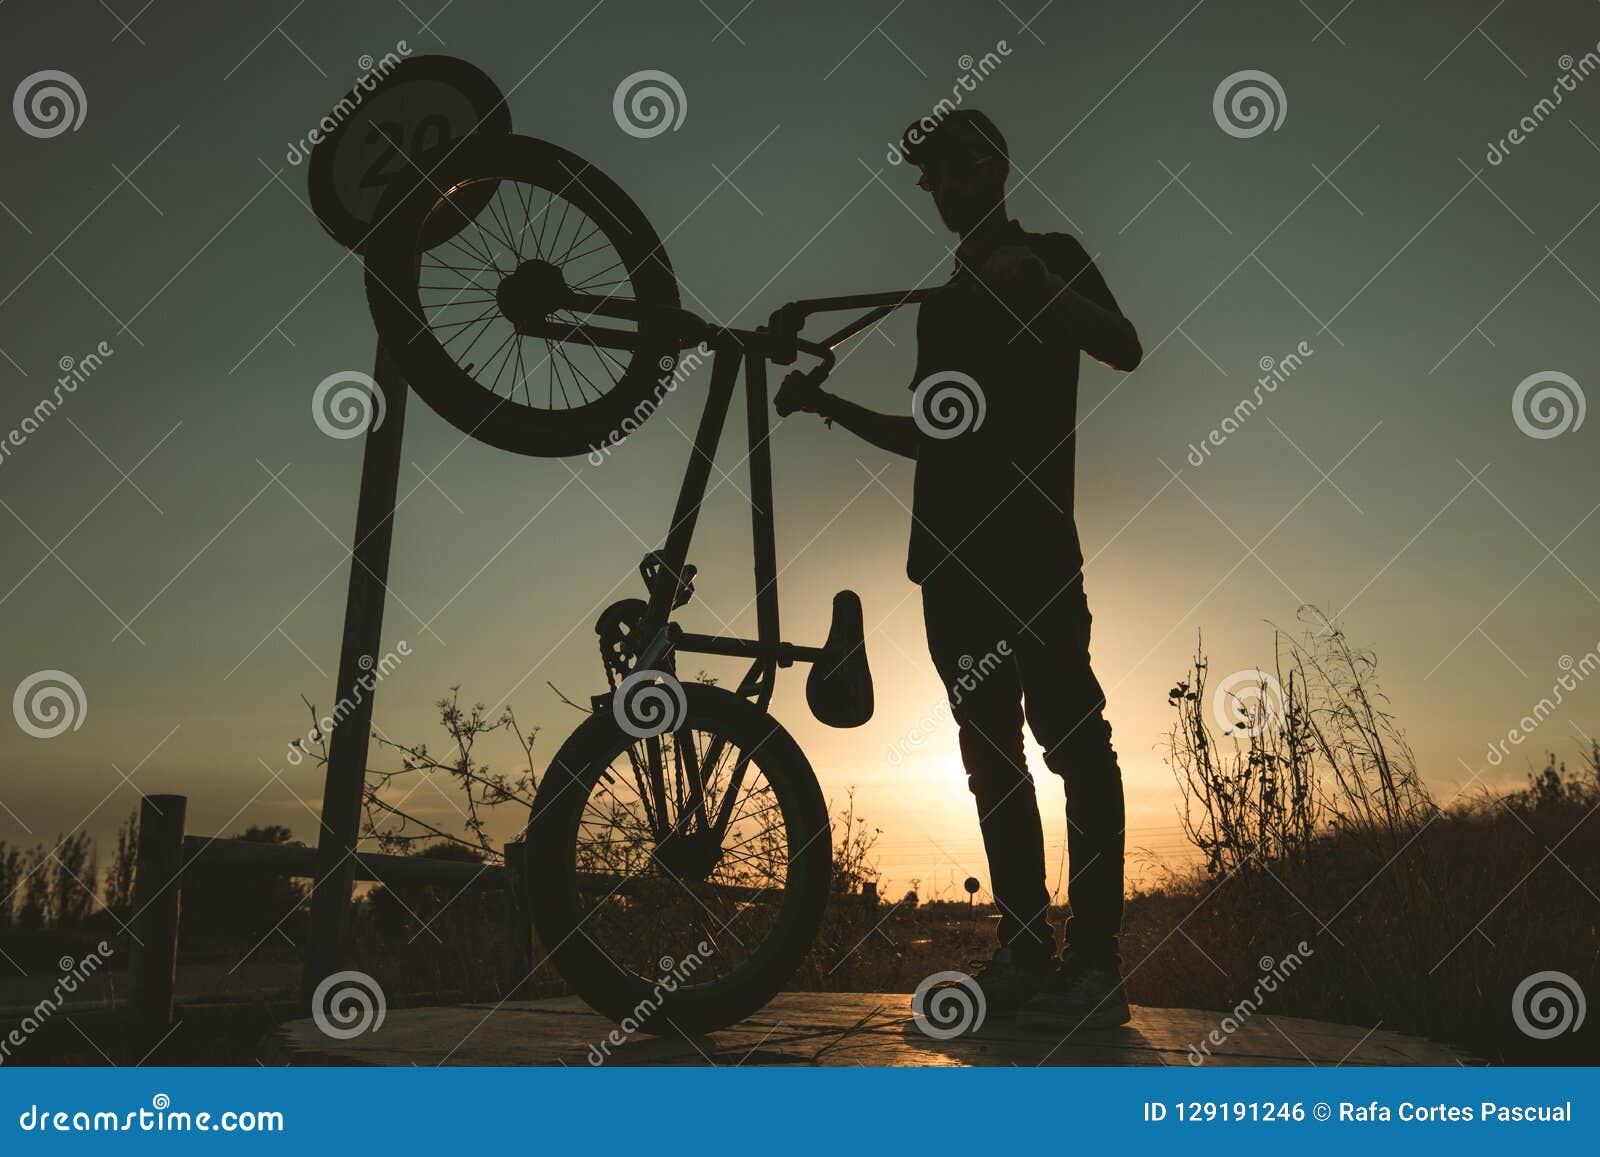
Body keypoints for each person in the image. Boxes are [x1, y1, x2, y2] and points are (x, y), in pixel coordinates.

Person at [775, 110, 1142, 1029]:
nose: (940, 185)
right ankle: (1024, 954)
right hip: (949, 562)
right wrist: (826, 407)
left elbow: (1124, 344)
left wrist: (1046, 290)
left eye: (954, 168)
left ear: (994, 168)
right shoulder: (938, 310)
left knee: (1075, 742)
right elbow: (932, 438)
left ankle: (1096, 969)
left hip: (1035, 549)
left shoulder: (1052, 255)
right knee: (991, 759)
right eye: (930, 176)